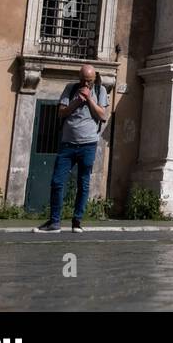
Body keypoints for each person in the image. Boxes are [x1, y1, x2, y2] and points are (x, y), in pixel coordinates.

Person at [35, 64, 111, 233]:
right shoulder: (70, 89)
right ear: (79, 78)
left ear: (94, 79)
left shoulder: (100, 91)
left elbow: (102, 115)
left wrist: (89, 98)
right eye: (83, 80)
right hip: (67, 145)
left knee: (83, 184)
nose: (86, 84)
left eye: (89, 81)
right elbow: (61, 113)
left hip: (88, 145)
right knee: (57, 182)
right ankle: (55, 222)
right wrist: (77, 101)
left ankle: (77, 222)